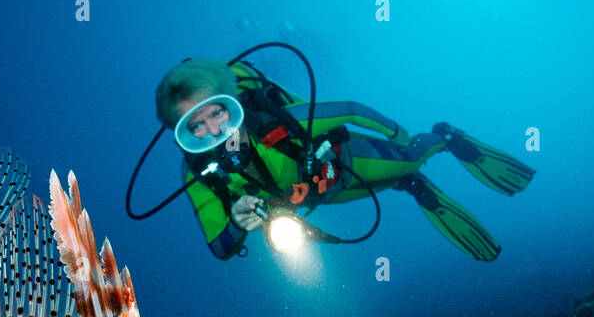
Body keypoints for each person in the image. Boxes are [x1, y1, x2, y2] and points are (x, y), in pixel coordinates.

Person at [154, 57, 535, 260]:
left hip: (347, 164)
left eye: (218, 112)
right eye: (196, 125)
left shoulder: (279, 119)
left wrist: (396, 134)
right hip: (322, 193)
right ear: (182, 132)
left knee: (411, 158)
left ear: (233, 102)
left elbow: (351, 109)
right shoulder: (200, 176)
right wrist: (237, 221)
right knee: (399, 180)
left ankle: (444, 137)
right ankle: (408, 184)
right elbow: (219, 247)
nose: (215, 131)